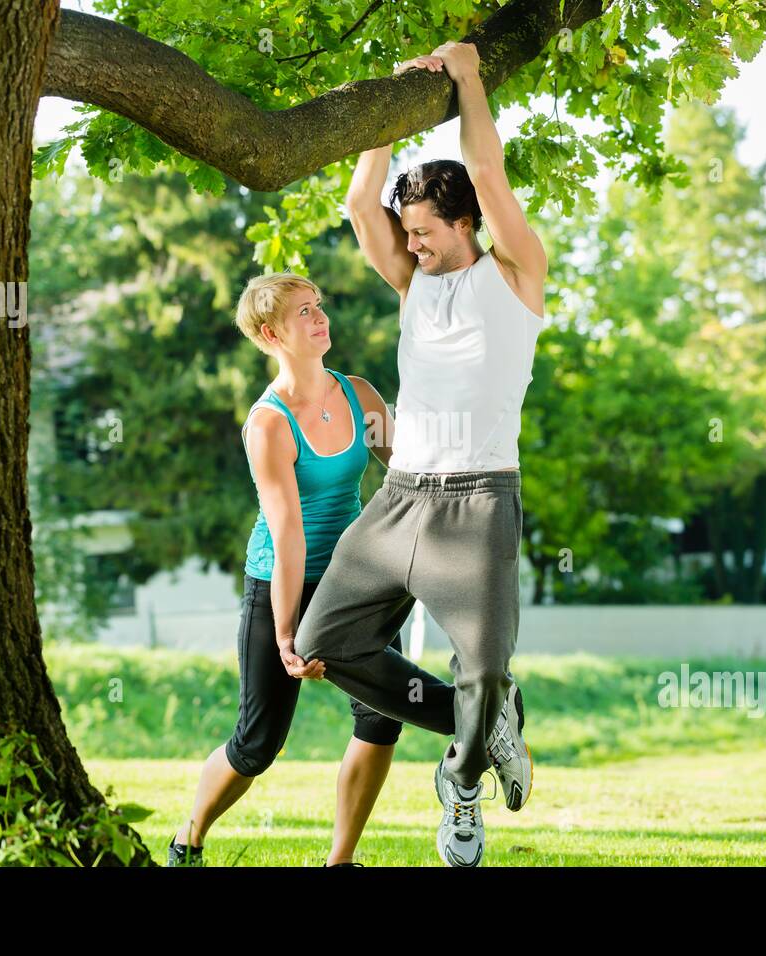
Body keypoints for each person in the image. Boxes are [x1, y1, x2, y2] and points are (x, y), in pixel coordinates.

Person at [290, 40, 546, 867]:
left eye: (426, 231)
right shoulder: (415, 284)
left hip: (477, 503)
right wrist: (391, 112)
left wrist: (468, 78)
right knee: (324, 636)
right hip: (400, 500)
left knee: (484, 667)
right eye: (410, 233)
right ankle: (481, 722)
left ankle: (464, 779)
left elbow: (489, 168)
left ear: (465, 223)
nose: (414, 243)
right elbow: (362, 203)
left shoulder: (515, 274)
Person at [166, 271, 436, 867]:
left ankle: (340, 861)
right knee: (259, 742)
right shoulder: (268, 423)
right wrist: (287, 633)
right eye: (304, 314)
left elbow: (413, 472)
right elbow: (288, 534)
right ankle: (188, 840)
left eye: (319, 307)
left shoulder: (359, 395)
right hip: (280, 579)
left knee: (380, 717)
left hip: (355, 578)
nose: (320, 319)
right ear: (271, 334)